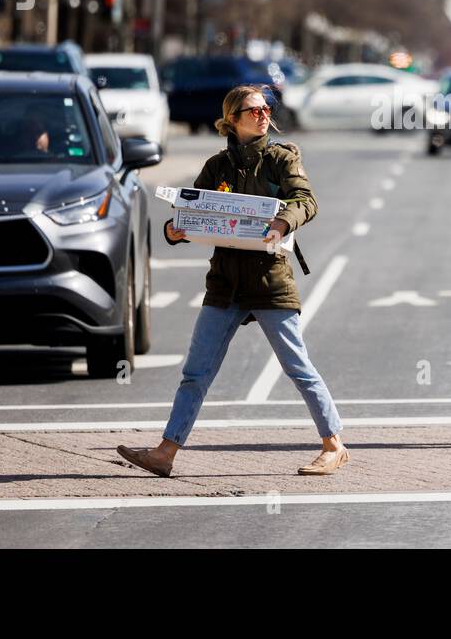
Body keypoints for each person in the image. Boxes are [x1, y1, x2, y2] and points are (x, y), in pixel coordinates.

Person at [117, 84, 349, 477]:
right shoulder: (217, 167)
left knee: (297, 367)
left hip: (269, 280)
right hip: (225, 283)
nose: (262, 115)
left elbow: (305, 201)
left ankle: (334, 446)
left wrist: (284, 221)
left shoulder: (281, 159)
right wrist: (176, 230)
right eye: (252, 110)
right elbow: (194, 210)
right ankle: (166, 452)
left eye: (265, 109)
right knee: (196, 372)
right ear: (232, 119)